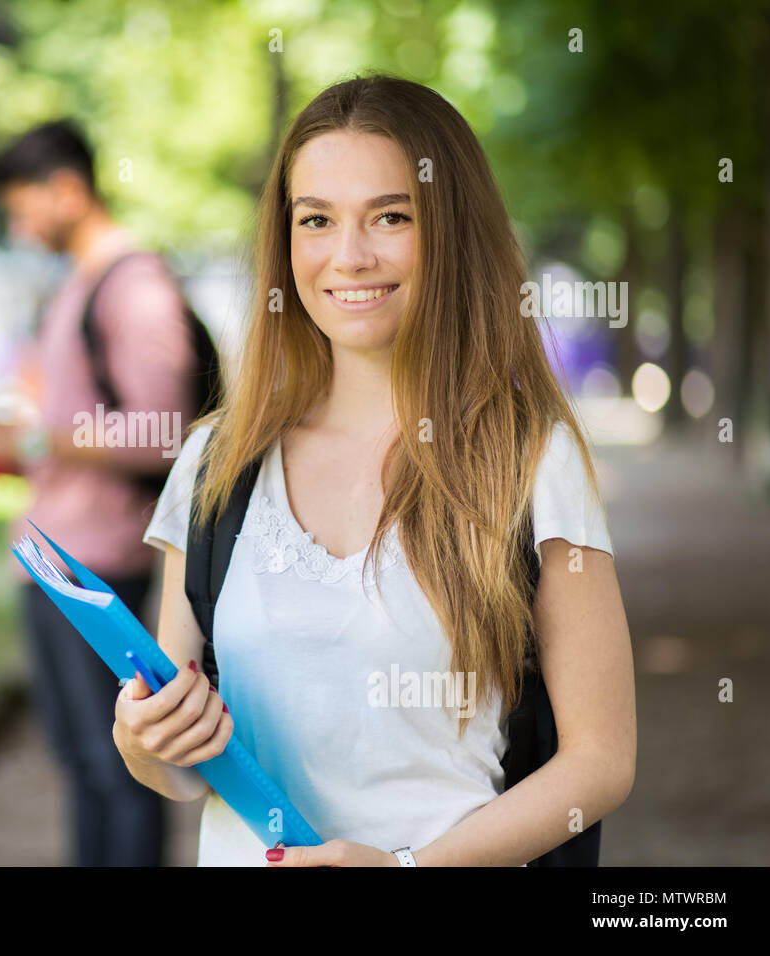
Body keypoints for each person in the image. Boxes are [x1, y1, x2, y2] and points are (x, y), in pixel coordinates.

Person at [115, 75, 637, 866]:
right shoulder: (215, 463)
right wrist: (145, 743)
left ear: (452, 231)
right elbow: (188, 769)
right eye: (316, 219)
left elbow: (600, 761)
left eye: (391, 217)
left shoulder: (530, 461)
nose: (349, 256)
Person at [0, 120, 199, 865]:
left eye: (21, 206)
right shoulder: (74, 286)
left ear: (67, 189)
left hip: (107, 564)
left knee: (122, 767)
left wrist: (40, 438)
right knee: (80, 764)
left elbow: (165, 431)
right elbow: (69, 434)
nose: (16, 226)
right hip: (56, 555)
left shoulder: (133, 284)